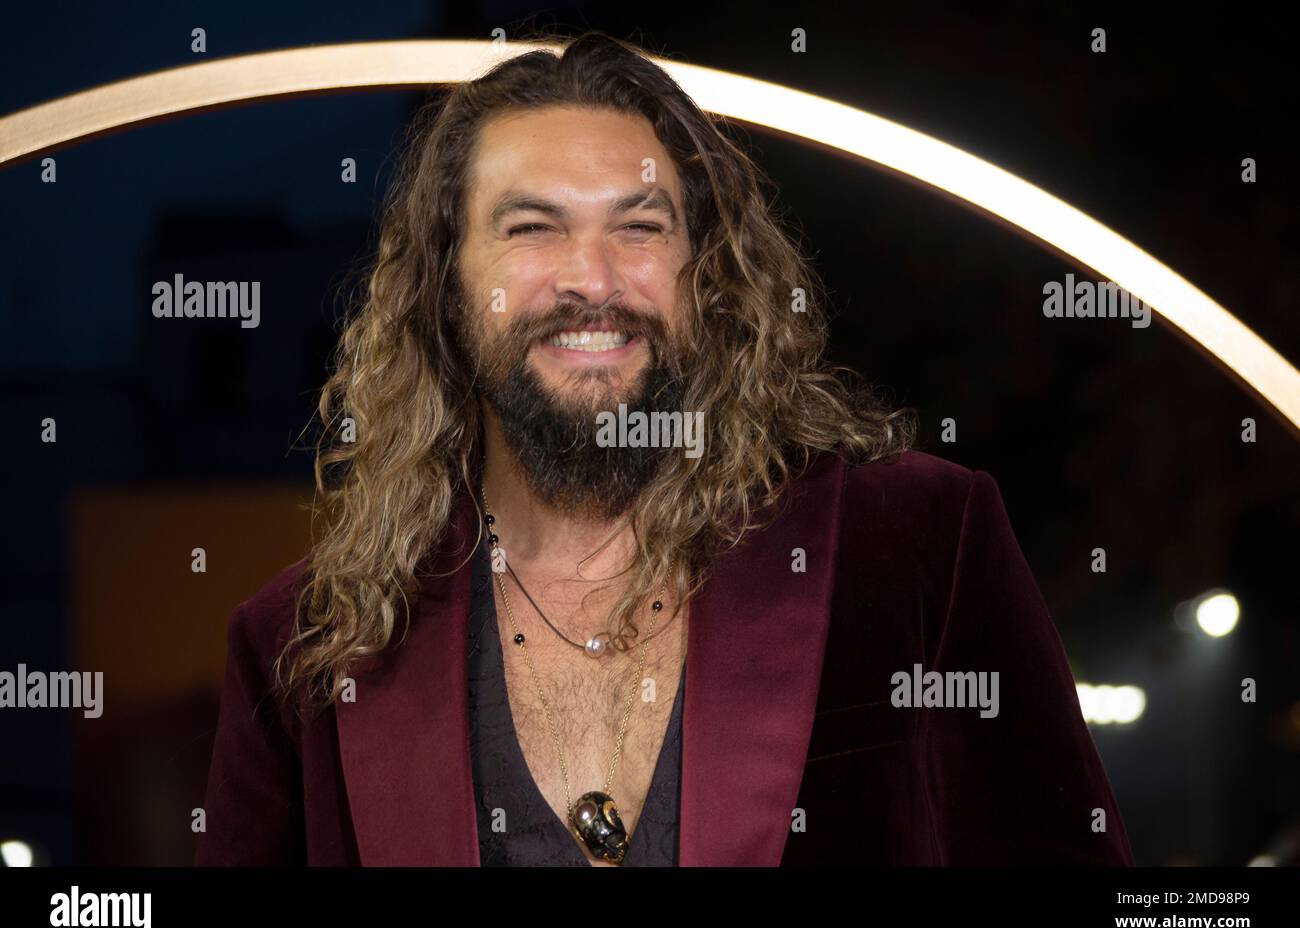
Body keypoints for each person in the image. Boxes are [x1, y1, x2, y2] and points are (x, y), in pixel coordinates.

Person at [195, 31, 1133, 866]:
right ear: (444, 289)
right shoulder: (306, 650)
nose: (592, 279)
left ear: (707, 274)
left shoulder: (924, 542)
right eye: (532, 229)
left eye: (640, 227)